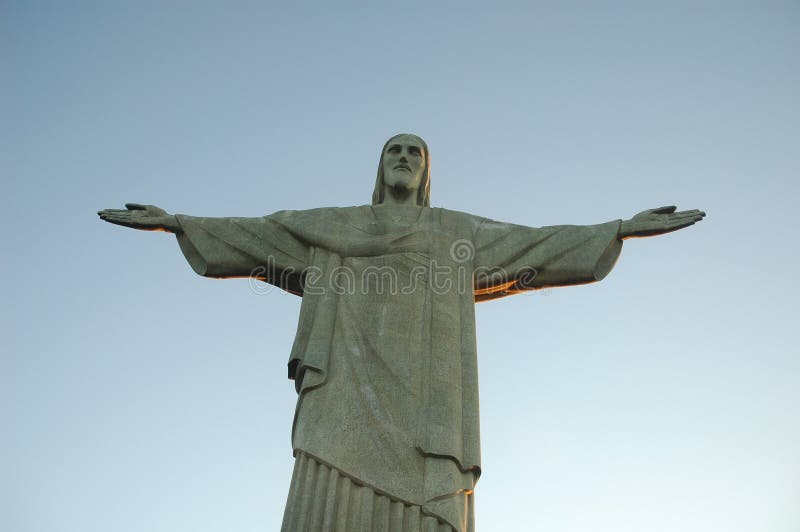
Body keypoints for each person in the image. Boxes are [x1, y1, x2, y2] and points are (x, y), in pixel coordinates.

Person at [99, 134, 705, 531]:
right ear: (379, 166)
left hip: (426, 407)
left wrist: (618, 228)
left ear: (427, 173)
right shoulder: (332, 226)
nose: (405, 159)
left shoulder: (453, 232)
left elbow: (535, 244)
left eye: (416, 153)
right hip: (341, 392)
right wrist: (177, 222)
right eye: (395, 150)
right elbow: (259, 235)